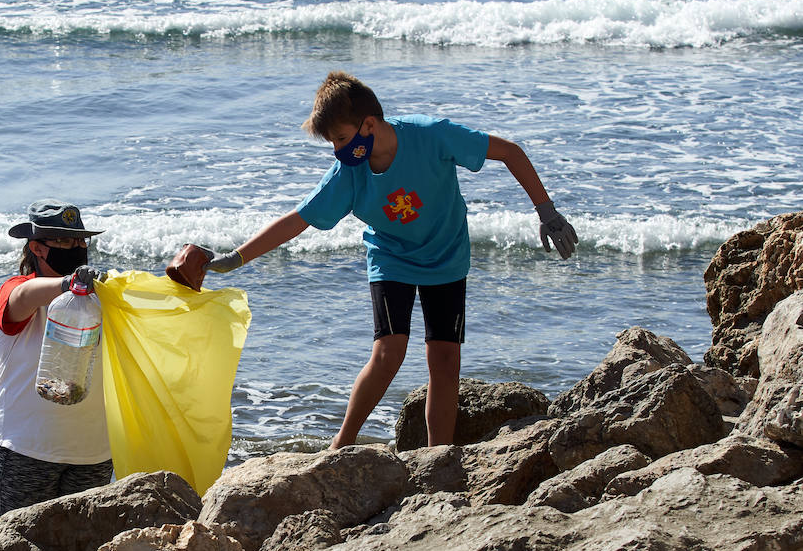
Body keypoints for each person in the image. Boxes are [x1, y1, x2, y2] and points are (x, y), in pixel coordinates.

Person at [202, 71, 578, 448]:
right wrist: (235, 258)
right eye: (333, 143)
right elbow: (299, 219)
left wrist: (546, 210)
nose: (338, 150)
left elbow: (508, 151)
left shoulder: (431, 135)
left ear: (369, 124)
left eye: (342, 139)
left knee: (445, 362)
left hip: (445, 253)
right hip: (390, 256)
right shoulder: (349, 172)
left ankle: (439, 457)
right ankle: (341, 445)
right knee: (388, 352)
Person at [0, 200, 112, 517]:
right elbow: (21, 299)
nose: (76, 247)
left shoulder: (104, 295)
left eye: (79, 240)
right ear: (37, 248)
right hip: (27, 448)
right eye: (63, 240)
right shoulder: (19, 289)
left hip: (94, 451)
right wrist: (67, 285)